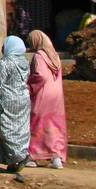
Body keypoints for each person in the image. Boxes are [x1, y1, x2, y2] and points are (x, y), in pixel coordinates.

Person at [26, 29, 68, 169]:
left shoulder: (39, 56)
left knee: (38, 124)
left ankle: (33, 156)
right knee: (55, 126)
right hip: (56, 97)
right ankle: (56, 157)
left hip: (43, 95)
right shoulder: (54, 55)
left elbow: (41, 76)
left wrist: (29, 85)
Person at [0, 36, 31, 175]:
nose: (3, 48)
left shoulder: (5, 63)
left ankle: (18, 157)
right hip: (24, 100)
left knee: (6, 129)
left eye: (4, 45)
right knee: (21, 129)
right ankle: (16, 157)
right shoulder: (25, 61)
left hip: (8, 101)